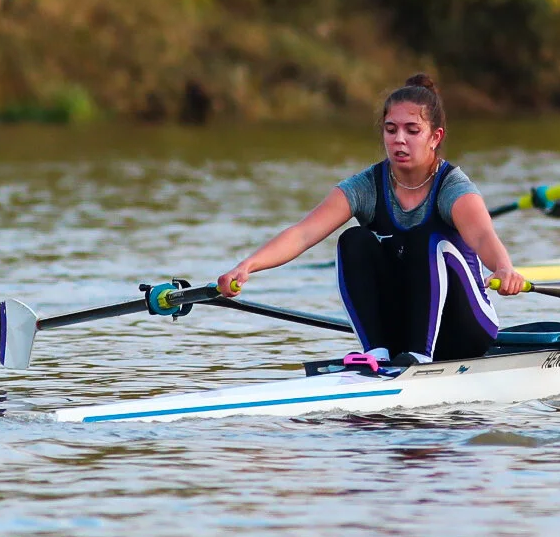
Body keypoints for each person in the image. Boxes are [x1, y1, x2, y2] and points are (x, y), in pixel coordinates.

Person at [218, 74, 527, 370]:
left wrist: (503, 268)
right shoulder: (366, 185)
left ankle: (419, 360)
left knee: (426, 240)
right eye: (391, 130)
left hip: (465, 327)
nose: (399, 140)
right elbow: (303, 234)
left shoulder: (453, 186)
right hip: (403, 329)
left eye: (412, 130)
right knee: (353, 240)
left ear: (435, 137)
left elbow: (484, 236)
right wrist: (246, 266)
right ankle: (377, 353)